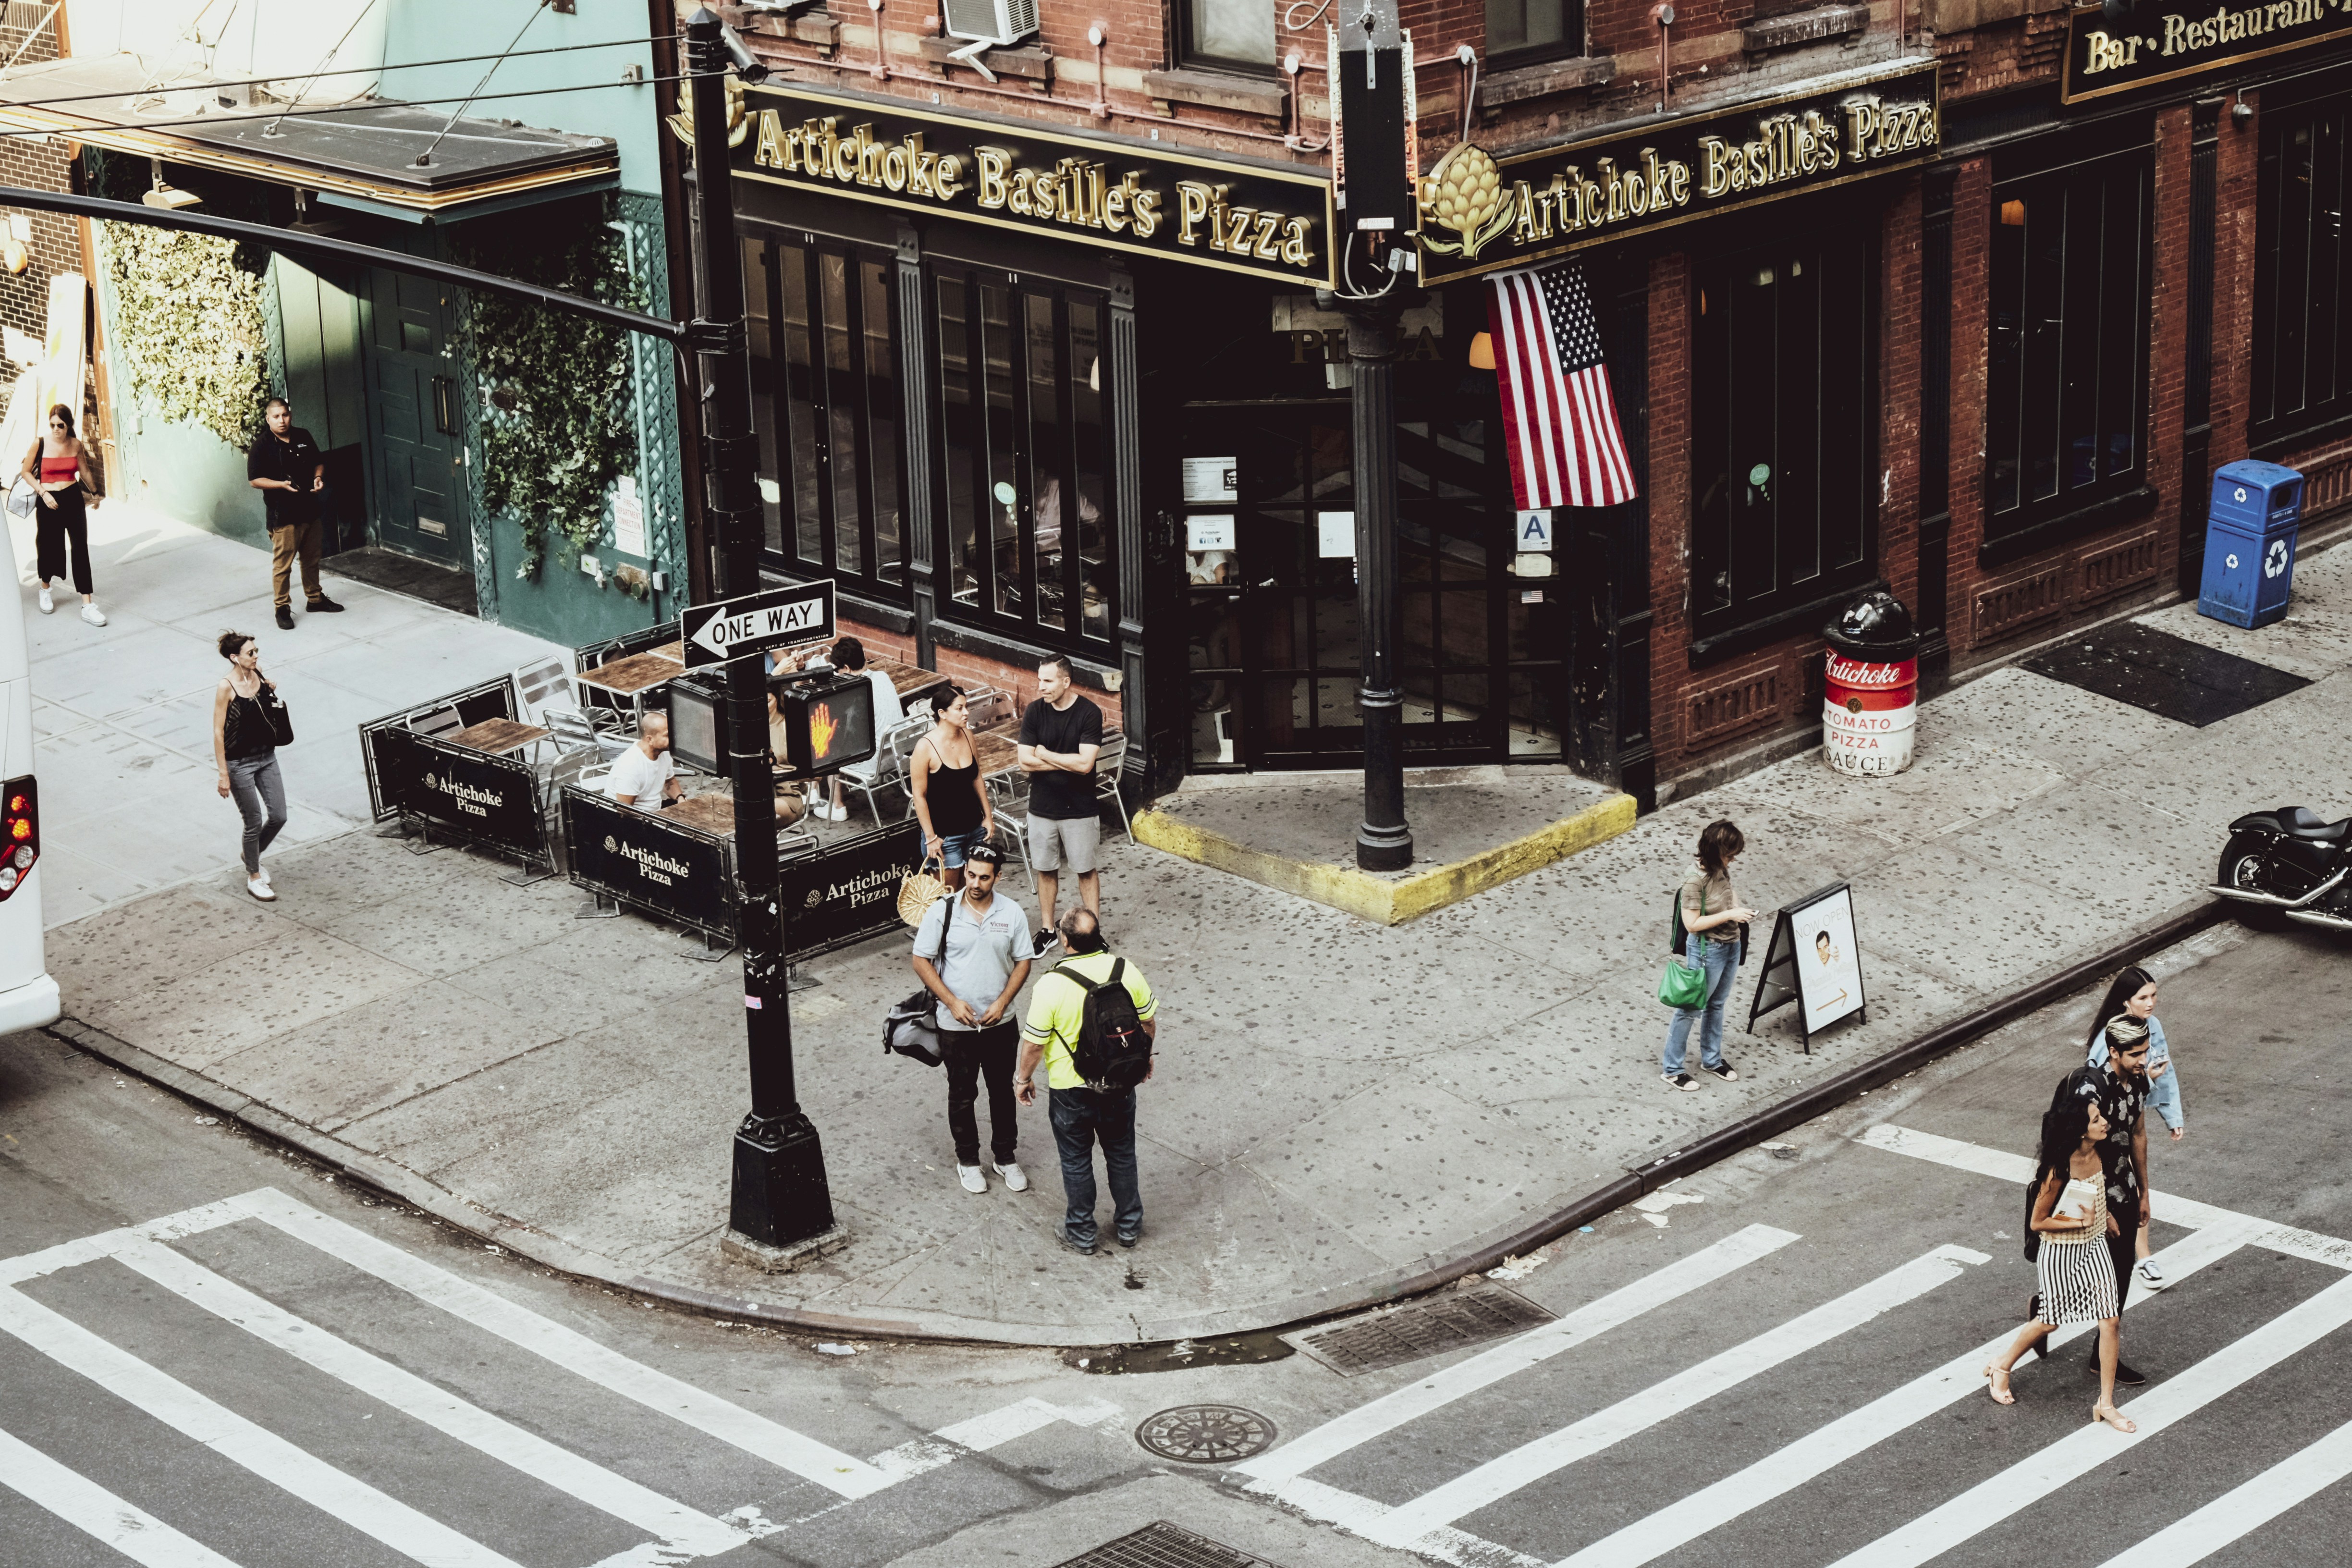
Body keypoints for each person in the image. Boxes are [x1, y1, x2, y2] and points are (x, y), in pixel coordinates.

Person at [1983, 1094, 2136, 1433]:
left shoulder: (2101, 1153)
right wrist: (2076, 1225)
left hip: (2095, 1248)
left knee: (2110, 1321)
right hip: (2061, 1254)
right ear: (2080, 1130)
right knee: (2051, 1322)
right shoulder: (2059, 1168)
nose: (2104, 1123)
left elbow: (2094, 1194)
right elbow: (2039, 1223)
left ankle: (2106, 1404)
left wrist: (2106, 1216)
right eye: (2096, 1120)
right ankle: (2002, 1366)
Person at [1017, 907, 1157, 1255]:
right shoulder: (1125, 970)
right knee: (1122, 1155)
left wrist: (1023, 1079)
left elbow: (1034, 1044)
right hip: (1120, 1083)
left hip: (1070, 1089)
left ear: (1064, 940)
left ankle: (1081, 1233)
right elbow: (1148, 1023)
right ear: (1097, 936)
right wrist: (1144, 1059)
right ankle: (1129, 1227)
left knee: (1076, 1161)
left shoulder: (1050, 984)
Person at [910, 844, 1034, 1195]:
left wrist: (1004, 1001)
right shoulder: (943, 911)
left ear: (998, 877)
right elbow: (921, 959)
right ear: (964, 870)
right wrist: (951, 1002)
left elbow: (1024, 961)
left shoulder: (1012, 913)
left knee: (1002, 1092)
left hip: (1001, 1022)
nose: (976, 883)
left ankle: (1005, 1157)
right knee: (962, 1094)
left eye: (984, 877)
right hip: (956, 1026)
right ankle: (968, 1160)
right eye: (971, 874)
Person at [2064, 1018, 2156, 1385]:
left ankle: (2099, 1356)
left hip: (2125, 1191)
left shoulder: (2139, 1084)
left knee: (2119, 1276)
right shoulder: (2093, 1092)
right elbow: (2081, 1153)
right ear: (2114, 1052)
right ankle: (2045, 1309)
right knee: (2074, 1263)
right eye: (2135, 1054)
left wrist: (2145, 1190)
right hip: (2092, 1193)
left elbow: (2138, 1133)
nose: (2142, 1060)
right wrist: (2102, 1211)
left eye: (2146, 1051)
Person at [2084, 965, 2183, 1295]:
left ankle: (2143, 1257)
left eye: (2154, 995)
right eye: (2143, 997)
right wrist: (2147, 1080)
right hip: (2100, 1138)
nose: (2151, 1003)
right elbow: (2101, 1091)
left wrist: (2173, 1116)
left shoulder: (2152, 1026)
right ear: (2126, 1002)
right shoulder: (2108, 1041)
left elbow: (2164, 1071)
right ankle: (2048, 1307)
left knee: (2133, 1198)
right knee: (2098, 1215)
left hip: (2128, 1129)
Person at [1017, 655, 1105, 953]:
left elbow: (1085, 765)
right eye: (1040, 680)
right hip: (1042, 808)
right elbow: (1024, 762)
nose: (1041, 687)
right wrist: (1061, 761)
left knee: (1086, 870)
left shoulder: (1089, 713)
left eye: (1048, 681)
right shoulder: (1034, 712)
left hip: (1079, 808)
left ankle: (1092, 930)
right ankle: (1047, 929)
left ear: (1066, 682)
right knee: (1045, 870)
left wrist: (1044, 753)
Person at [1661, 819, 1754, 1091]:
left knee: (1717, 1005)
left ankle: (1712, 1060)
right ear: (1716, 852)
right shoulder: (1695, 879)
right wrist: (1731, 915)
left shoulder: (1720, 869)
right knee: (1690, 1010)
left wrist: (1738, 909)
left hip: (1730, 944)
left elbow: (1728, 892)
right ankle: (1672, 1069)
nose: (1733, 860)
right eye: (1729, 855)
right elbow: (1692, 924)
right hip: (1707, 950)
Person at [245, 397, 342, 632]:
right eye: (276, 417)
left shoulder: (303, 436)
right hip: (283, 516)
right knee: (283, 565)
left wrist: (318, 478)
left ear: (291, 415)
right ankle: (282, 608)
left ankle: (315, 600)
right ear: (268, 419)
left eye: (285, 415)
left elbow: (319, 462)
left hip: (310, 510)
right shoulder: (262, 445)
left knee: (311, 560)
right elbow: (254, 481)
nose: (282, 420)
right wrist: (281, 485)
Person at [210, 631, 287, 902]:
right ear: (235, 657)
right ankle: (254, 875)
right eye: (250, 653)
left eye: (256, 651)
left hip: (267, 756)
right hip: (239, 763)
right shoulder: (226, 687)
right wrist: (223, 775)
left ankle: (251, 853)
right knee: (253, 821)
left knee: (279, 816)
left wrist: (270, 690)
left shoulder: (258, 674)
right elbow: (219, 732)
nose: (256, 656)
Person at [23, 404, 105, 625]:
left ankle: (87, 604)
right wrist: (43, 493)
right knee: (49, 546)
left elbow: (84, 471)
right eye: (52, 425)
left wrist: (95, 493)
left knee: (80, 548)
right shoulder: (39, 443)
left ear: (69, 425)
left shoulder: (76, 444)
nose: (56, 429)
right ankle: (45, 588)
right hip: (47, 499)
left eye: (61, 425)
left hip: (72, 498)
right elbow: (26, 472)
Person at [909, 683, 993, 889]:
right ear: (942, 713)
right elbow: (919, 796)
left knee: (974, 893)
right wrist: (931, 838)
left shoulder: (968, 736)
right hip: (945, 837)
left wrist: (988, 817)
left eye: (967, 707)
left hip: (974, 829)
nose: (966, 713)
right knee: (948, 899)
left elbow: (977, 778)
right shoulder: (925, 747)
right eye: (959, 708)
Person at [820, 637, 903, 823]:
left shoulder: (856, 692)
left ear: (847, 669)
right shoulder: (883, 677)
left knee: (827, 747)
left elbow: (846, 732)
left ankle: (837, 806)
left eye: (838, 670)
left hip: (874, 763)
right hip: (897, 757)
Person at [605, 712, 683, 811]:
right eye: (667, 735)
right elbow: (624, 811)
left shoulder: (665, 753)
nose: (673, 739)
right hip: (634, 818)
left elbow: (669, 781)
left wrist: (680, 798)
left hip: (655, 812)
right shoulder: (631, 766)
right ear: (650, 739)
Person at [762, 680, 810, 825]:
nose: (763, 706)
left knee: (755, 811)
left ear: (778, 699)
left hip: (787, 794)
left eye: (769, 701)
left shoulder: (788, 727)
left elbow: (817, 776)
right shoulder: (751, 728)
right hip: (759, 793)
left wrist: (779, 774)